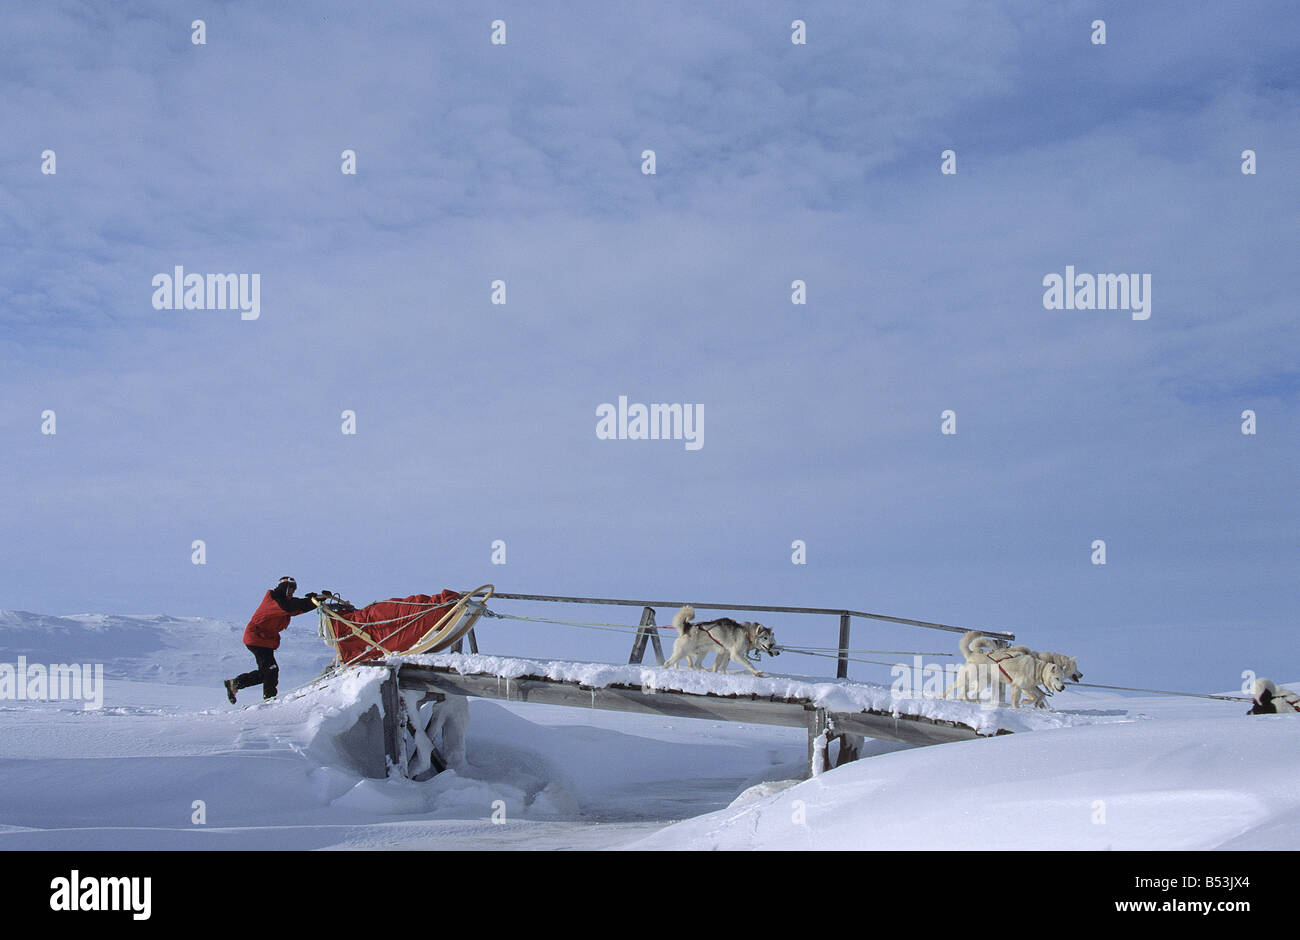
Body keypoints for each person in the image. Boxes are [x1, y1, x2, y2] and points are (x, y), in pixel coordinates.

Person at [224, 577, 319, 703]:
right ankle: (269, 701)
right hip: (257, 638)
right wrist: (310, 601)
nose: (292, 592)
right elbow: (291, 607)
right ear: (283, 588)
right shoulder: (274, 600)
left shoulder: (284, 602)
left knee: (269, 672)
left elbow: (298, 608)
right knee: (270, 671)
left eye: (294, 590)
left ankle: (236, 684)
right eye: (290, 588)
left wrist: (316, 601)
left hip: (265, 640)